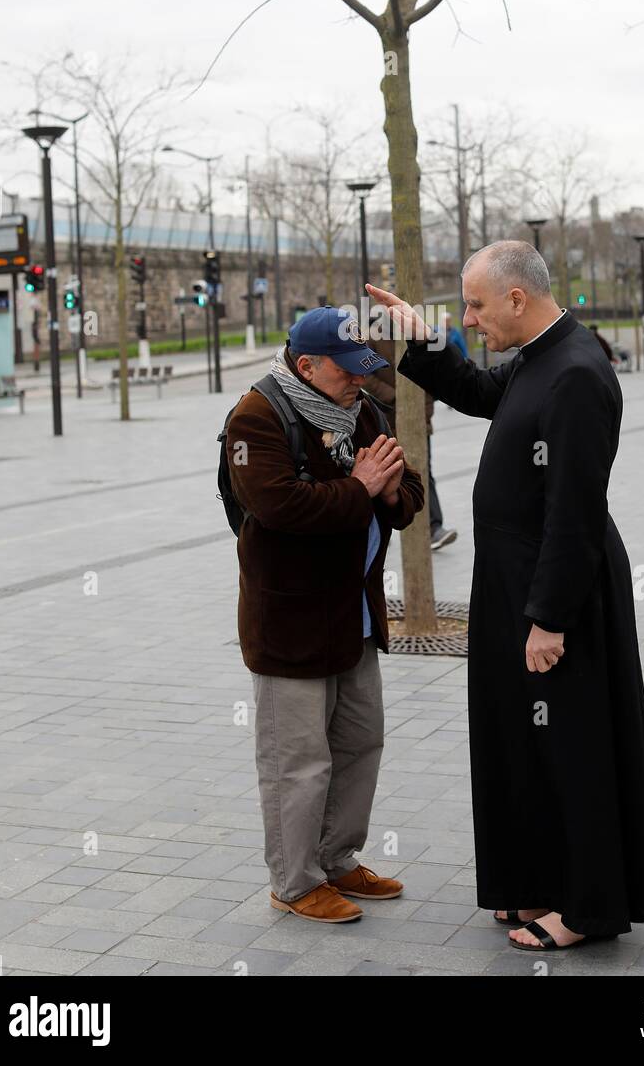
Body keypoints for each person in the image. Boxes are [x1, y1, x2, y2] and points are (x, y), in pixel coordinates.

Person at [366, 242, 644, 952]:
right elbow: (477, 391)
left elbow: (575, 510)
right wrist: (422, 338)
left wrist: (549, 619)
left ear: (515, 299)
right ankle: (533, 881)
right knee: (522, 742)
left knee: (571, 744)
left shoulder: (576, 375)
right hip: (512, 583)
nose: (469, 318)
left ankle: (585, 906)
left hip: (554, 592)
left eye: (475, 305)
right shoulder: (541, 358)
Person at [226, 306, 424, 925]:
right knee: (298, 760)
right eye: (348, 371)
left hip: (356, 617)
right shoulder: (255, 418)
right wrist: (363, 488)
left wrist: (391, 491)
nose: (361, 382)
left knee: (361, 741)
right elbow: (284, 510)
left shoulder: (361, 409)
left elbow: (407, 489)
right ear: (306, 366)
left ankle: (337, 858)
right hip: (290, 622)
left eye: (364, 369)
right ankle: (294, 880)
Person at [362, 334, 457, 551]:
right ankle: (383, 527)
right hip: (389, 420)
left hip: (419, 419)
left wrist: (425, 408)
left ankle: (433, 527)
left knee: (424, 472)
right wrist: (393, 396)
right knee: (387, 475)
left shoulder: (415, 334)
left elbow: (431, 374)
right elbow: (365, 374)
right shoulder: (374, 337)